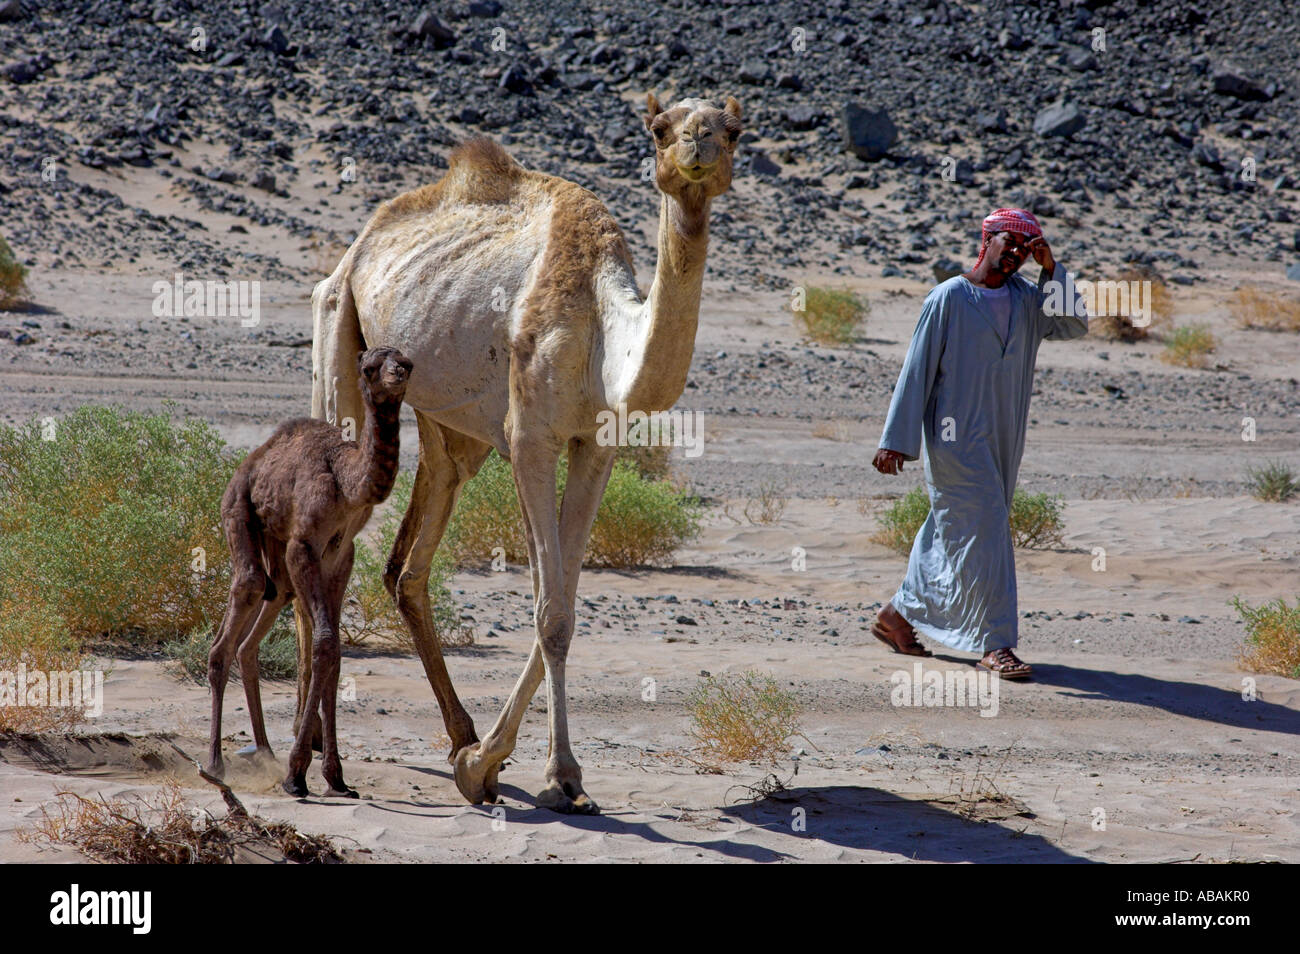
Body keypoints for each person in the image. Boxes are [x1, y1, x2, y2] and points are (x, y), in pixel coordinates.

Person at [871, 208, 1088, 679]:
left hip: (1004, 439)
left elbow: (1073, 325)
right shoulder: (949, 297)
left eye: (1024, 250)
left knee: (954, 532)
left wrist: (1052, 270)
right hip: (954, 439)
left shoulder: (1030, 299)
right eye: (1007, 243)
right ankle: (995, 644)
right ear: (985, 240)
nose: (1013, 255)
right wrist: (897, 441)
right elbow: (917, 369)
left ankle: (897, 616)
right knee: (987, 532)